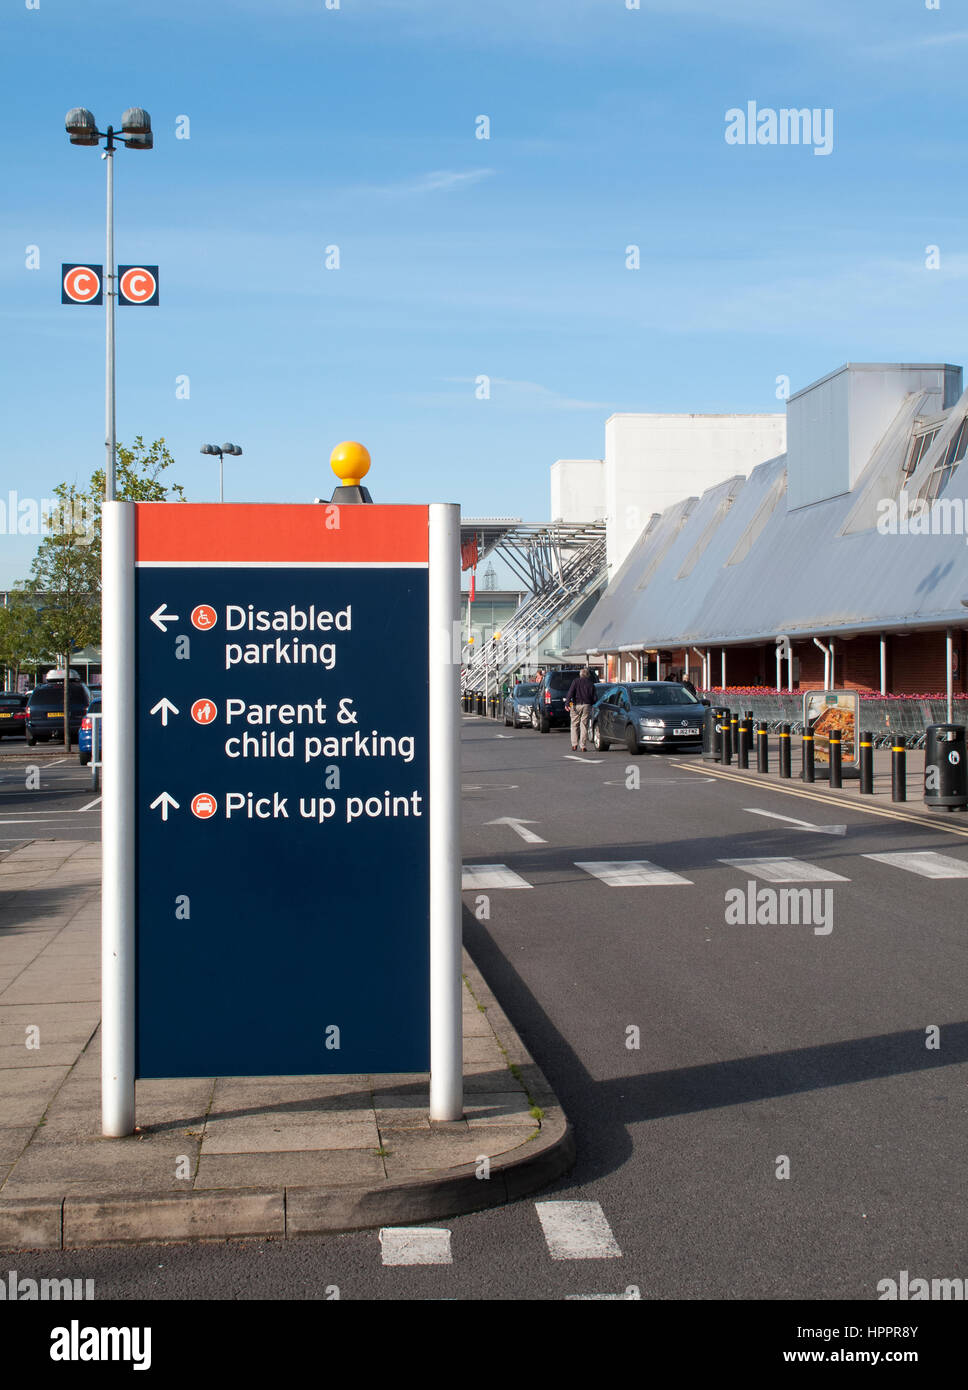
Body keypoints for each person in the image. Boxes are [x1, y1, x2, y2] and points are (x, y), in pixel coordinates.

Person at [566, 665, 597, 752]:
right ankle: (583, 746)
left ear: (580, 675)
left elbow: (570, 692)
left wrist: (567, 703)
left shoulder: (576, 682)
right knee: (584, 725)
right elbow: (594, 698)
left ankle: (574, 744)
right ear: (587, 675)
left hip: (576, 704)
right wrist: (592, 703)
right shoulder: (591, 684)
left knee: (574, 724)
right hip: (586, 705)